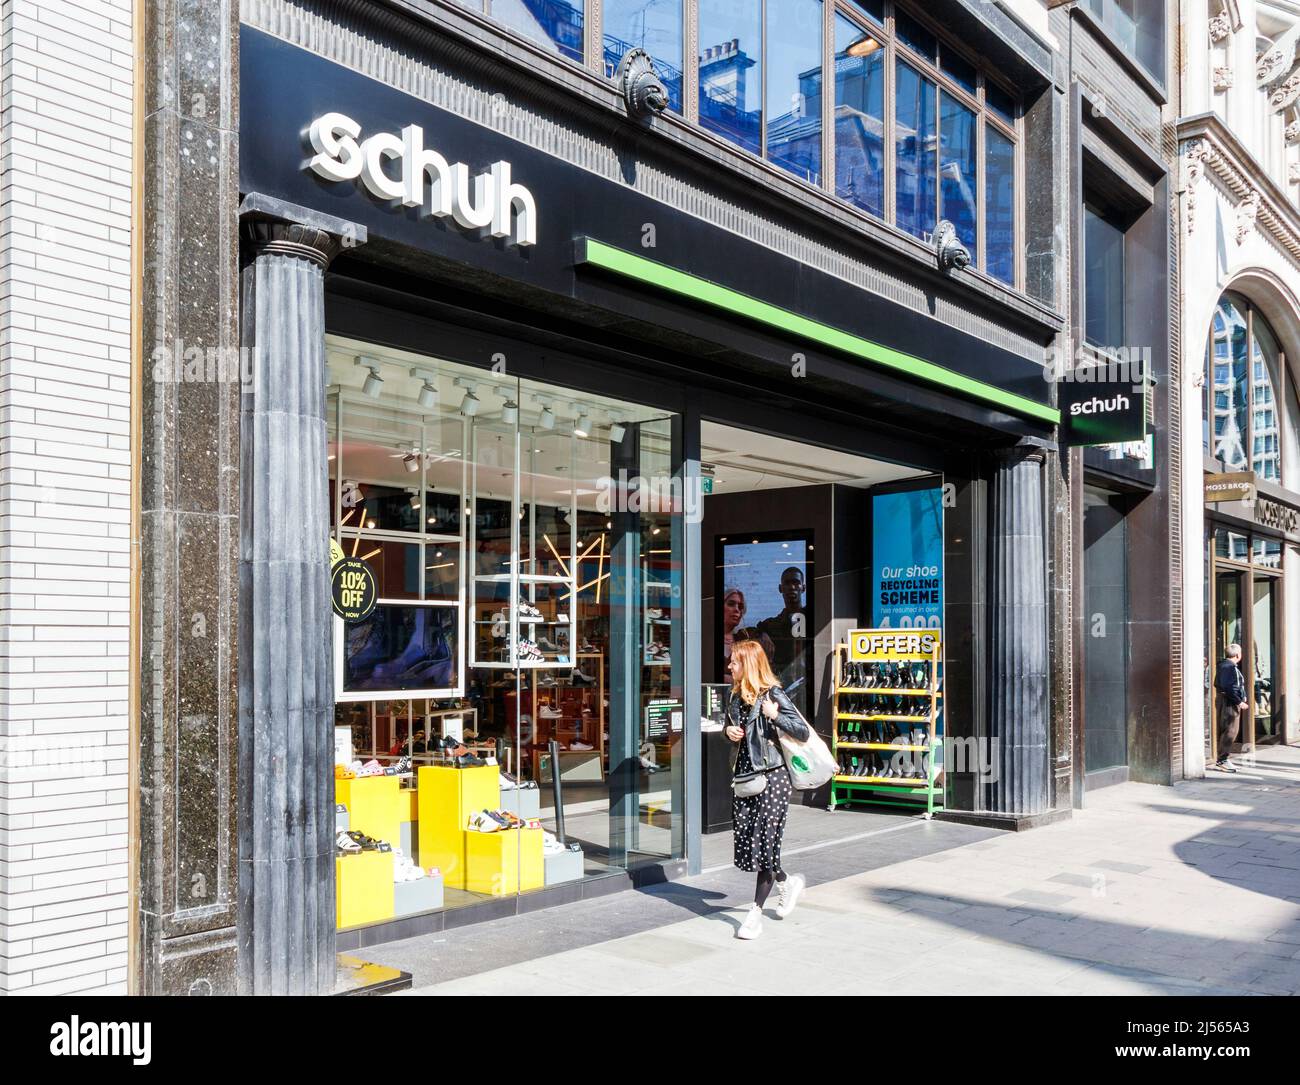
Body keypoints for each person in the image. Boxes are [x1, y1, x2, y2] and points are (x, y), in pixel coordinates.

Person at [724, 638, 809, 940]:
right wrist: (729, 732)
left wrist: (775, 715)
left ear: (747, 664)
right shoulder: (735, 697)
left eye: (734, 661)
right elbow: (734, 731)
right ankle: (786, 882)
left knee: (765, 841)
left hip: (773, 777)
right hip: (747, 778)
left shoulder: (772, 694)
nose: (729, 665)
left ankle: (755, 914)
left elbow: (801, 730)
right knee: (750, 843)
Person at [756, 566, 807, 688]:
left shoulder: (813, 617)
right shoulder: (772, 625)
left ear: (803, 588)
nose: (792, 587)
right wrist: (762, 634)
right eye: (787, 583)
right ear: (780, 588)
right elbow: (756, 630)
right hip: (783, 684)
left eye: (796, 583)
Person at [1213, 643, 1249, 772]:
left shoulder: (1224, 665)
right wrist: (1239, 702)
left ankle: (1223, 759)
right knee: (1230, 731)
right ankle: (1222, 760)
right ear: (1238, 655)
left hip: (1225, 700)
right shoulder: (1229, 667)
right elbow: (1231, 687)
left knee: (1228, 730)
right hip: (1229, 702)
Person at [721, 588, 746, 678]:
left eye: (740, 607)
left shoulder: (744, 640)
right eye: (731, 604)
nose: (737, 610)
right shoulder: (706, 638)